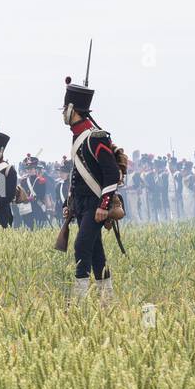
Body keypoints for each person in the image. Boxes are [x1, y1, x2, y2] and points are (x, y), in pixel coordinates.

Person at [62, 76, 124, 303]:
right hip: (82, 204)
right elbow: (78, 175)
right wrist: (70, 203)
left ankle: (77, 301)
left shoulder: (95, 137)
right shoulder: (78, 136)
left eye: (65, 109)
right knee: (97, 254)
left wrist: (104, 205)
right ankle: (108, 299)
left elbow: (111, 174)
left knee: (81, 247)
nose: (63, 114)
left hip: (95, 205)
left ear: (72, 109)